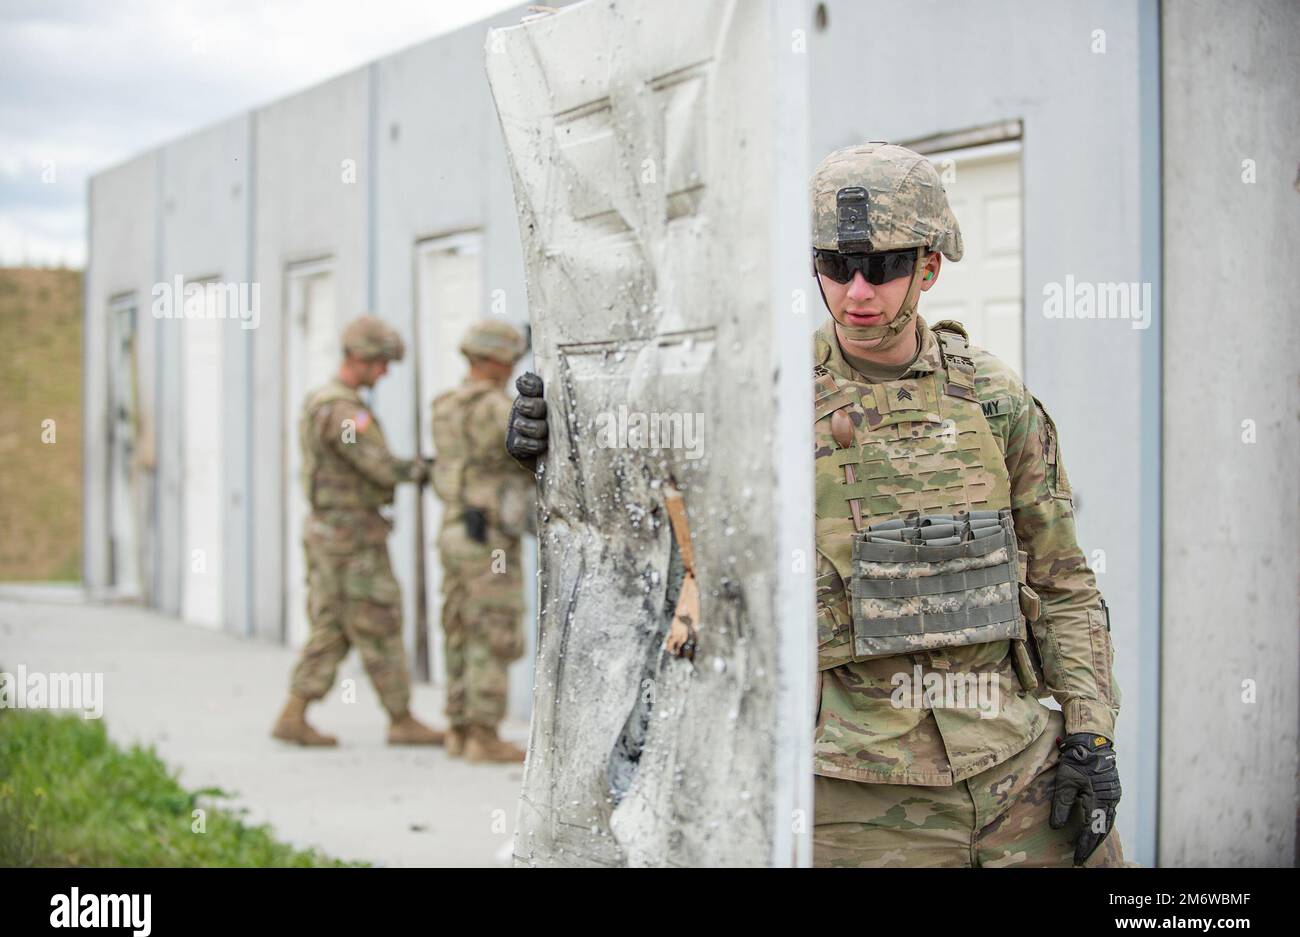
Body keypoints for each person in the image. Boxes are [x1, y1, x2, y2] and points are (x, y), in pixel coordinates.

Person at [505, 142, 1124, 867]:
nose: (857, 291)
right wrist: (554, 453)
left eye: (883, 266)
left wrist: (1090, 730)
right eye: (835, 265)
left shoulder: (992, 397)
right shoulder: (765, 402)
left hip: (1020, 773)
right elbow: (636, 535)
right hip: (853, 802)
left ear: (929, 265)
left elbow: (1062, 581)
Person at [272, 314, 443, 747]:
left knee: (334, 625)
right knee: (379, 619)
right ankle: (401, 718)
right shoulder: (344, 412)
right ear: (361, 358)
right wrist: (419, 470)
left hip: (334, 535)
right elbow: (375, 465)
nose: (385, 372)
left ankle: (294, 712)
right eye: (382, 362)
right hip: (352, 541)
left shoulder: (322, 401)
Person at [430, 319, 532, 763]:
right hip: (489, 536)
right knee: (494, 630)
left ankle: (458, 728)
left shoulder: (445, 405)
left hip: (454, 528)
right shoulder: (495, 407)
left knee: (459, 626)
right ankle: (485, 735)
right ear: (496, 358)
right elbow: (524, 457)